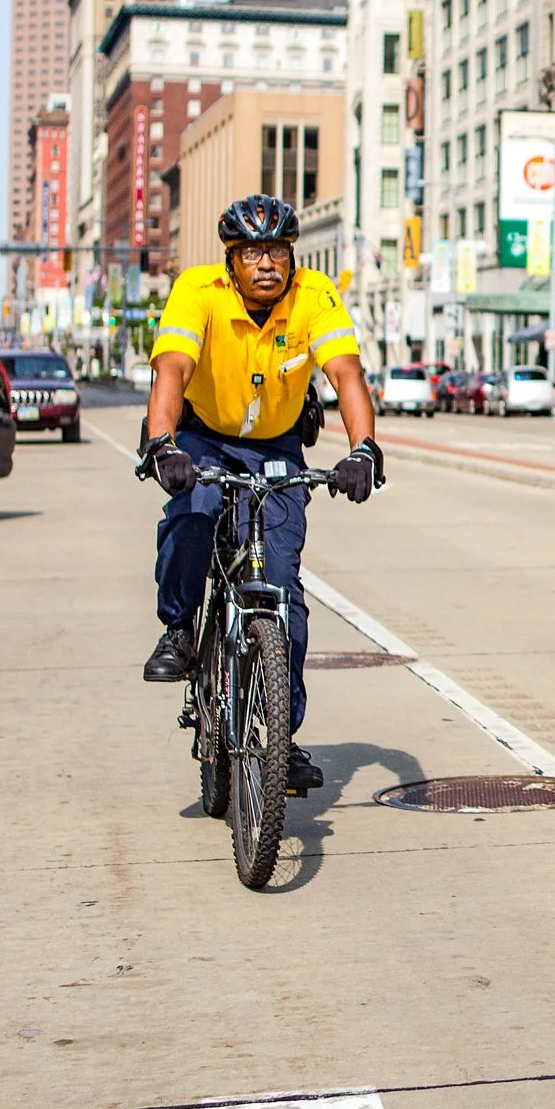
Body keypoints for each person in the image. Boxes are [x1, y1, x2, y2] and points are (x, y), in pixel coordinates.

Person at [136, 193, 381, 795]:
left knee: (283, 593)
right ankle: (180, 627)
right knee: (192, 514)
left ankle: (279, 736)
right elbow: (171, 368)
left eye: (277, 250)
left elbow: (346, 373)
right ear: (232, 260)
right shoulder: (198, 290)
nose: (267, 263)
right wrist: (162, 444)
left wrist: (363, 449)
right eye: (253, 253)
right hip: (201, 438)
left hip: (276, 449)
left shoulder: (313, 294)